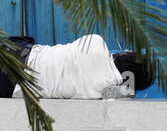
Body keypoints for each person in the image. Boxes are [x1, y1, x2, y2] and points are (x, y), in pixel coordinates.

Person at [0, 33, 153, 99]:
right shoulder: (102, 91)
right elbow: (127, 92)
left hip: (18, 54)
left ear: (126, 55)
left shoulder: (96, 42)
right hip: (12, 86)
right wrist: (127, 85)